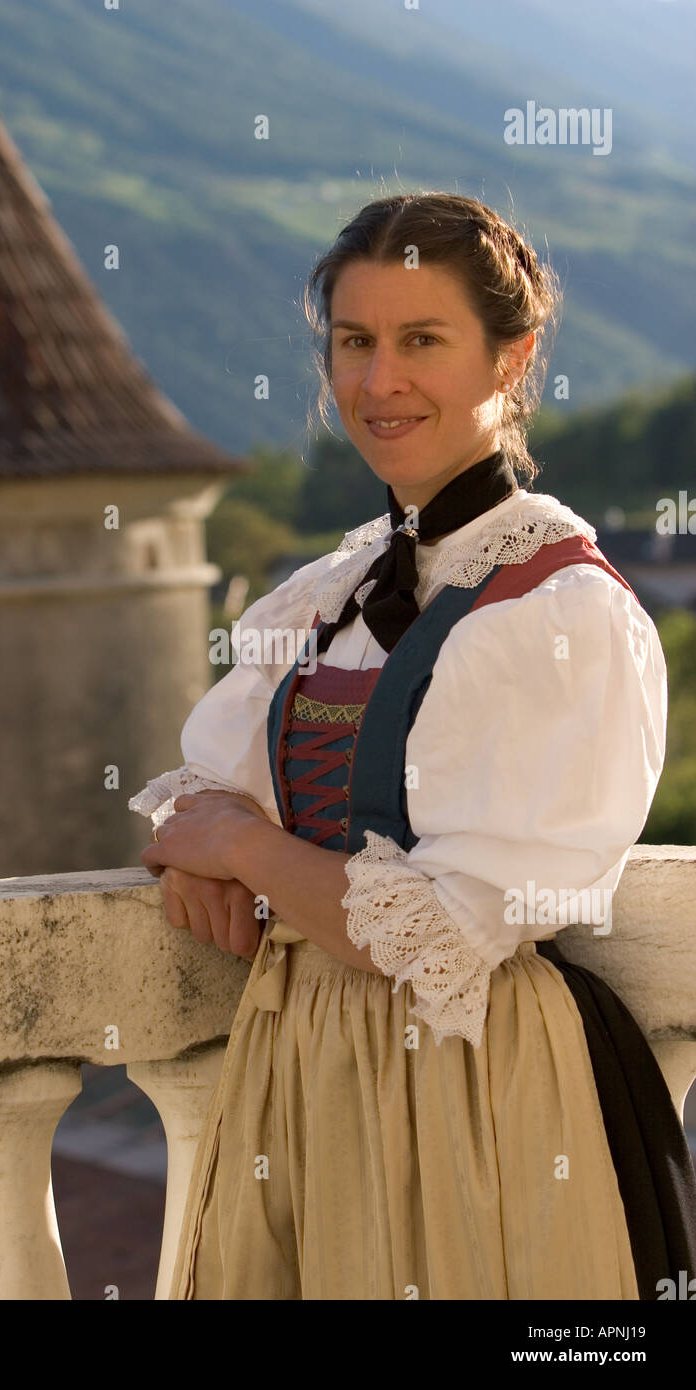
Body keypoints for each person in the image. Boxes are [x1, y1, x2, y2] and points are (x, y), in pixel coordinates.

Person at [128, 191, 696, 1300]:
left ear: (510, 357)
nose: (377, 381)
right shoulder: (332, 588)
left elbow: (439, 927)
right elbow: (203, 782)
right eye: (354, 343)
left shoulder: (564, 612)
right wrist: (194, 834)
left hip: (473, 1090)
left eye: (420, 341)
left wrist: (241, 852)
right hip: (299, 1070)